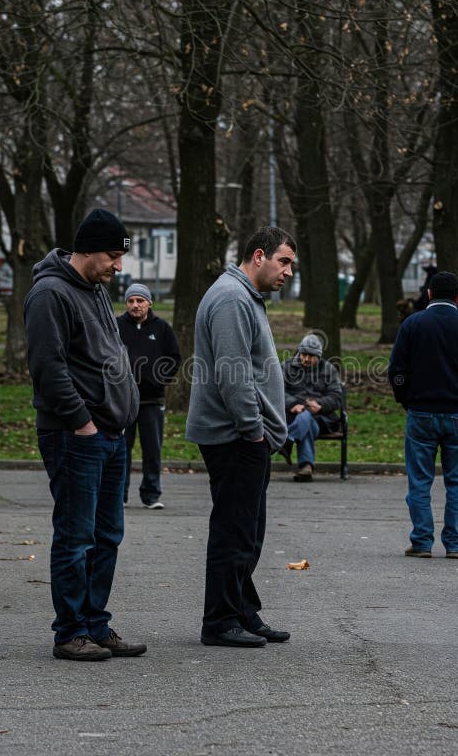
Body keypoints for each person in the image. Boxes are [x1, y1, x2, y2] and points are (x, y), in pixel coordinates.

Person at [24, 208, 147, 661]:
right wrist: (83, 423)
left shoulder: (93, 289)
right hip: (76, 435)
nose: (118, 266)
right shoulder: (50, 294)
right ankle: (70, 631)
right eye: (113, 256)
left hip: (111, 434)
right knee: (76, 536)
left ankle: (96, 624)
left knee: (107, 534)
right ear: (88, 250)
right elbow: (47, 368)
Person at [186, 226, 296, 648]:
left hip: (244, 436)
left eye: (291, 265)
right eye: (283, 261)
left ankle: (243, 611)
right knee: (234, 531)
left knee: (247, 530)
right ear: (258, 256)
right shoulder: (232, 298)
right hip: (235, 436)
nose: (287, 272)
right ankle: (219, 621)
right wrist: (253, 431)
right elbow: (234, 376)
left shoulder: (243, 296)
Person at [388, 271, 458, 559]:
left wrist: (405, 399)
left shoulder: (412, 324)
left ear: (430, 294)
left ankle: (422, 541)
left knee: (420, 482)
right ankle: (455, 544)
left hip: (421, 412)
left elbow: (397, 371)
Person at [117, 282, 182, 509]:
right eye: (131, 301)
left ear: (149, 303)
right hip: (123, 402)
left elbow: (174, 358)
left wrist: (157, 380)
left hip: (152, 401)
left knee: (152, 450)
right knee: (120, 451)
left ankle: (151, 495)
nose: (135, 305)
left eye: (140, 301)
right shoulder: (116, 326)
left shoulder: (161, 328)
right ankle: (119, 496)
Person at [280, 333, 343, 482]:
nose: (307, 359)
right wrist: (293, 404)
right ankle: (306, 467)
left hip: (322, 419)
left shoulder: (328, 369)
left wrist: (320, 405)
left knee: (306, 417)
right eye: (304, 354)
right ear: (299, 352)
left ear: (319, 356)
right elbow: (277, 391)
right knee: (306, 420)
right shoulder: (286, 367)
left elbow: (336, 396)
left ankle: (288, 440)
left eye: (311, 356)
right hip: (292, 416)